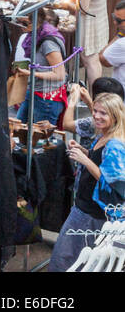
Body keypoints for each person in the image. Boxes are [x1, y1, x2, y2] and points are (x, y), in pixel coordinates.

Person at [49, 92, 125, 270]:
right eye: (95, 111)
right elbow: (101, 162)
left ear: (115, 115)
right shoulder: (104, 135)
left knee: (65, 258)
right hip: (86, 208)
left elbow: (113, 184)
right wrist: (84, 151)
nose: (97, 116)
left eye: (103, 113)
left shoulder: (115, 144)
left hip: (93, 213)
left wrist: (85, 161)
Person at [15, 7, 68, 126]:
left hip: (47, 99)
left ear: (36, 22)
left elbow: (59, 75)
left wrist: (31, 73)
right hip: (35, 91)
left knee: (39, 141)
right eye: (18, 22)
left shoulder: (48, 43)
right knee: (17, 129)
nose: (20, 26)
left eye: (24, 23)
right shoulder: (35, 35)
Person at [97, 0, 125, 85]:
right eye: (114, 17)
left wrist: (119, 35)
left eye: (118, 20)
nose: (115, 22)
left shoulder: (121, 44)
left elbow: (103, 59)